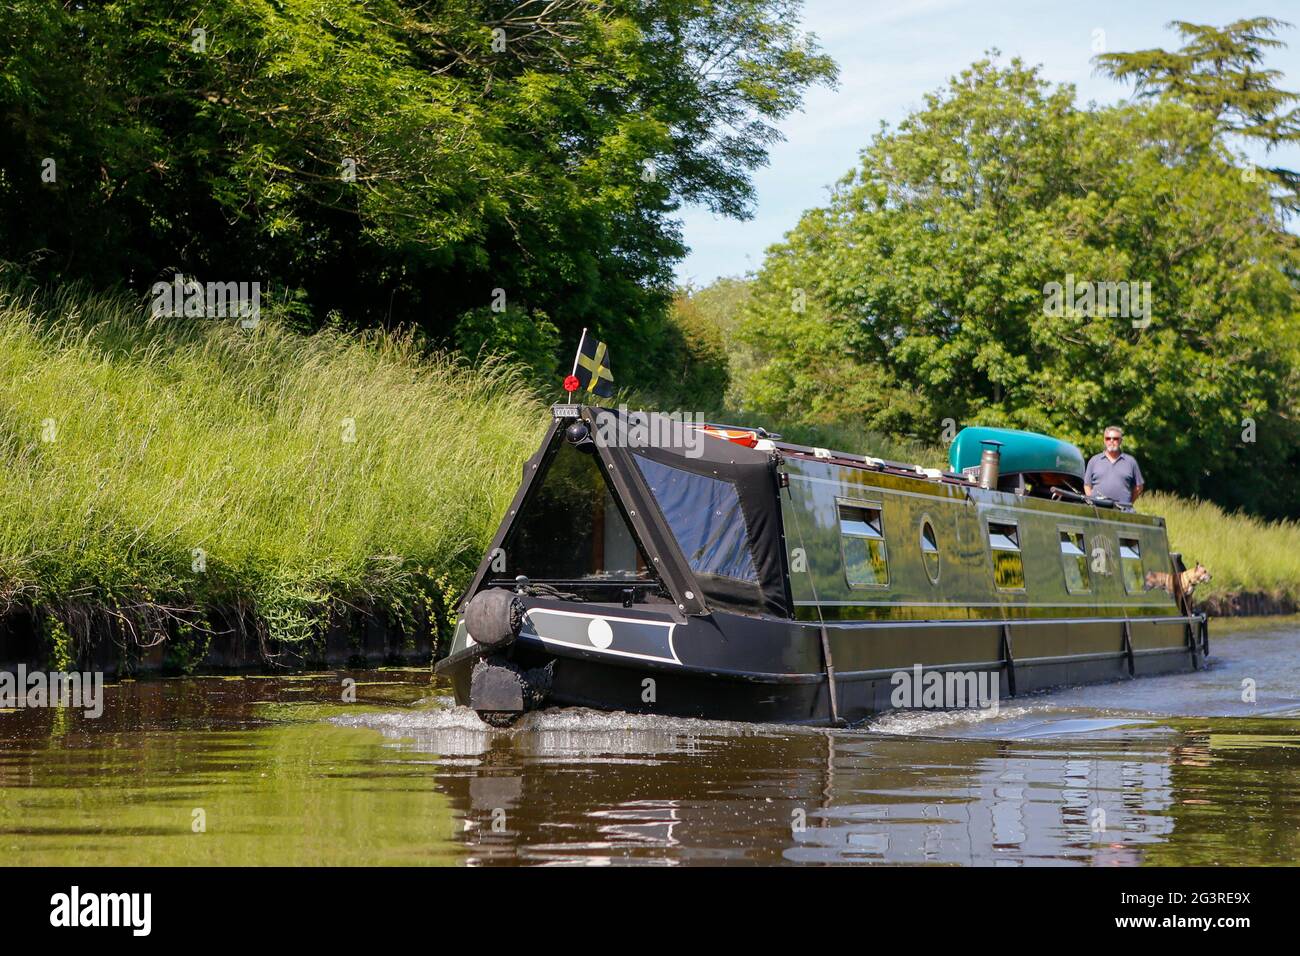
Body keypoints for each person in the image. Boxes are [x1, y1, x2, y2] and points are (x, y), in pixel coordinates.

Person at [1084, 426, 1144, 505]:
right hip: (1097, 510)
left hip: (1123, 510)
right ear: (1104, 441)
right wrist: (1092, 501)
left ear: (1120, 441)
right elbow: (1087, 485)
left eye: (1115, 439)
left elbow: (1139, 487)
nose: (1111, 441)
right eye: (1108, 438)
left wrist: (1128, 503)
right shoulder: (1094, 460)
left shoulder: (1130, 462)